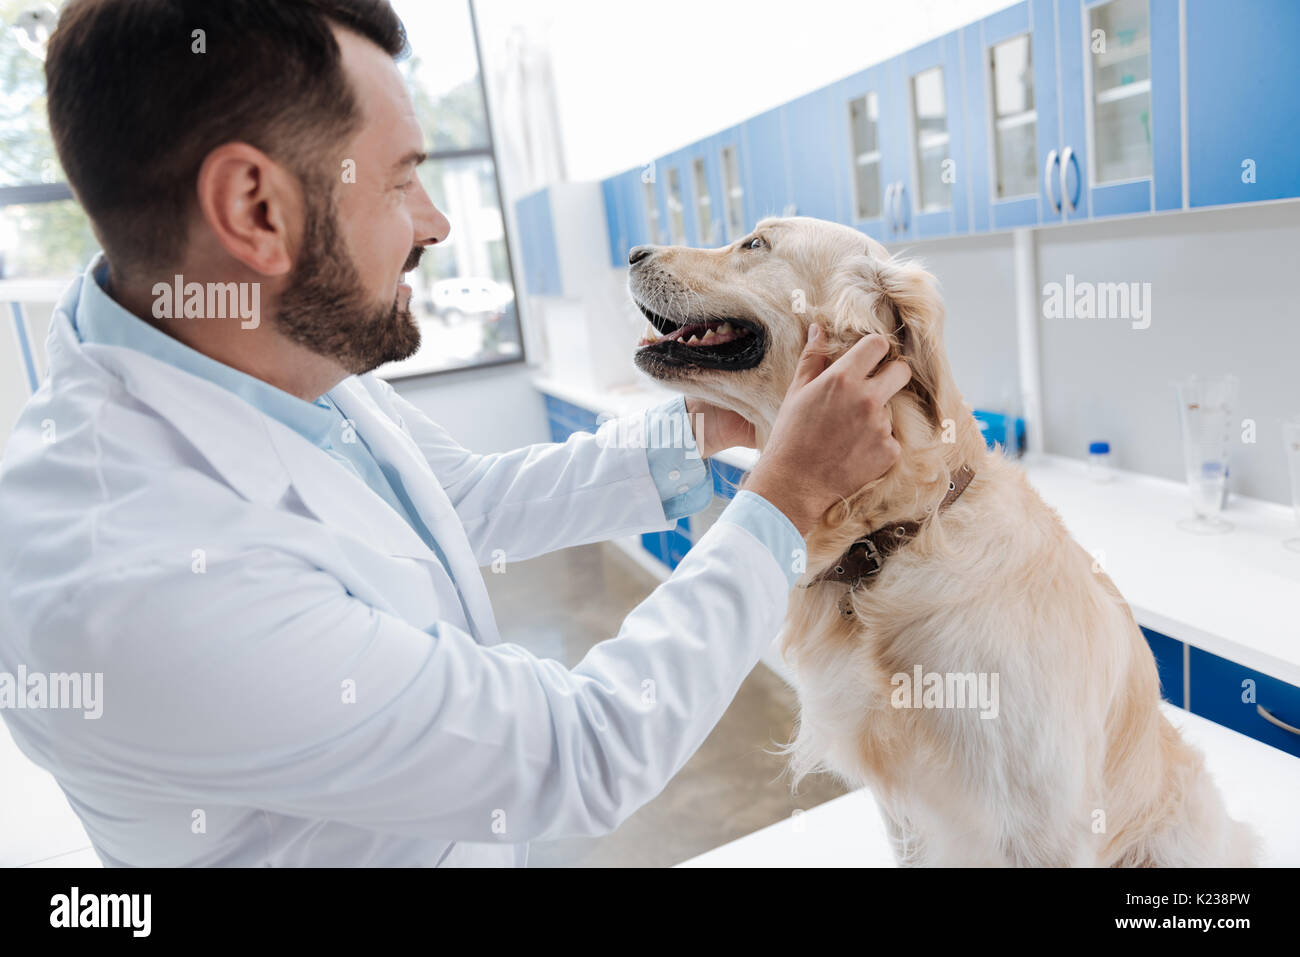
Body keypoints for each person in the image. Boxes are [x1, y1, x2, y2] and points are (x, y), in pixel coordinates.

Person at [0, 0, 909, 866]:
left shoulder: (255, 352)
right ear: (255, 209)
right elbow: (576, 751)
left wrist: (704, 425)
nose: (435, 223)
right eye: (401, 180)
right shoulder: (129, 584)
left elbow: (463, 500)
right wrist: (784, 500)